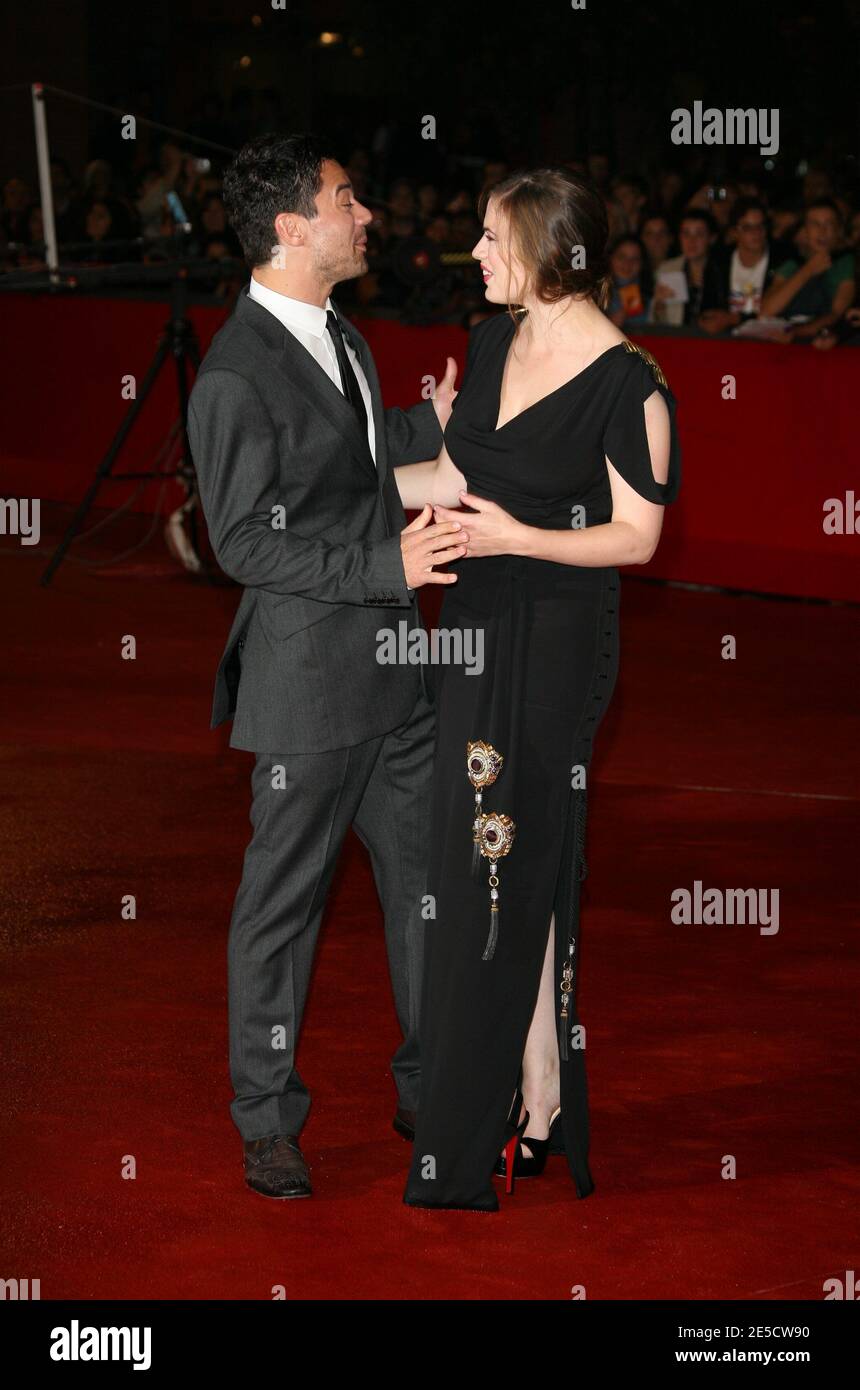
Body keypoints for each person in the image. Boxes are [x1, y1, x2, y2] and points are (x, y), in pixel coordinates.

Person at [394, 167, 681, 1211]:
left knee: (499, 859)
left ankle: (475, 1130)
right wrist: (337, 490)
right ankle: (542, 1089)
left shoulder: (628, 384)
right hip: (468, 631)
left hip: (556, 647)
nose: (471, 252)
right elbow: (452, 480)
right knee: (498, 857)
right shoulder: (487, 344)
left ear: (545, 253)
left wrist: (518, 536)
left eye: (488, 237)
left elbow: (638, 536)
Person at [187, 133, 463, 1201]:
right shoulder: (232, 373)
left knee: (428, 889)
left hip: (395, 668)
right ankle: (265, 1119)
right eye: (347, 198)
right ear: (293, 226)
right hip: (306, 685)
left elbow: (343, 461)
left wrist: (418, 426)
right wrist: (384, 557)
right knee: (281, 909)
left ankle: (430, 1080)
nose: (366, 214)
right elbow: (242, 541)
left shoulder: (338, 335)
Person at [760, 199, 855, 341]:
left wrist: (797, 332)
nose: (822, 231)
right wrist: (808, 269)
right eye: (815, 224)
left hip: (823, 339)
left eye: (829, 224)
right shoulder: (792, 262)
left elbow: (837, 313)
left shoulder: (847, 262)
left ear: (838, 230)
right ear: (805, 231)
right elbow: (767, 310)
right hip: (786, 337)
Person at [698, 197, 774, 335]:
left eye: (760, 226)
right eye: (747, 227)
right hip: (727, 341)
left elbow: (779, 314)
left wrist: (733, 318)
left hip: (768, 340)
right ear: (734, 231)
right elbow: (707, 308)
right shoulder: (719, 262)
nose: (756, 233)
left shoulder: (779, 261)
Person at [651, 207, 725, 325]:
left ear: (712, 238)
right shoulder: (667, 270)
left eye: (699, 234)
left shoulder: (723, 270)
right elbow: (658, 322)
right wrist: (659, 306)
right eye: (686, 233)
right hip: (679, 339)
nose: (691, 241)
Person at [606, 233, 653, 328]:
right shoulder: (597, 292)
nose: (627, 264)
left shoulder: (652, 290)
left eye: (634, 259)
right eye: (621, 257)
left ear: (642, 263)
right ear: (611, 258)